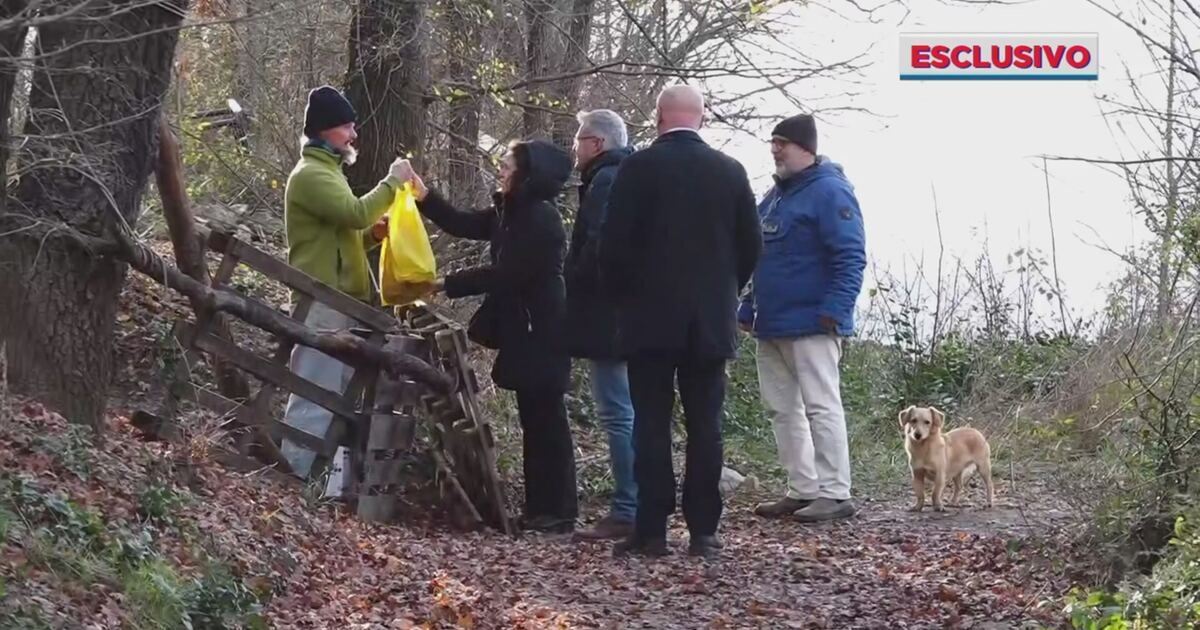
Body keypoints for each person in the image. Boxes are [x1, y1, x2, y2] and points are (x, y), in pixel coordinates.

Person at [597, 85, 762, 559]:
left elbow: (612, 246)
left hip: (648, 318)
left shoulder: (637, 168)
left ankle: (650, 530)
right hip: (710, 320)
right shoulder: (730, 172)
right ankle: (704, 531)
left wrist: (624, 298)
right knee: (705, 425)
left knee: (650, 423)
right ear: (703, 120)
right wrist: (725, 291)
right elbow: (751, 246)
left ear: (658, 118)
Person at [392, 141, 579, 534]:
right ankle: (542, 509)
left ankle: (558, 512)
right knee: (535, 420)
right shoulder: (509, 213)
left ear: (527, 174)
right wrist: (424, 195)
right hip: (525, 329)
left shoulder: (541, 220)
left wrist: (444, 284)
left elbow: (506, 274)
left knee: (548, 422)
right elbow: (462, 223)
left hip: (543, 331)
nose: (501, 170)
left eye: (507, 165)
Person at [737, 113, 866, 523]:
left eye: (782, 142)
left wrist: (835, 309)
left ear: (805, 148)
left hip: (814, 322)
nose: (774, 149)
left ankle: (834, 492)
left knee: (821, 406)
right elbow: (760, 257)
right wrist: (746, 306)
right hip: (771, 323)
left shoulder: (830, 192)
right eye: (773, 142)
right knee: (782, 409)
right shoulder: (775, 197)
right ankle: (802, 488)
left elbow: (850, 256)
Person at [280, 85, 406, 481]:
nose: (353, 135)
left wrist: (373, 236)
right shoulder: (312, 175)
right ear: (324, 131)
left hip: (337, 301)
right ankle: (298, 479)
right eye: (347, 127)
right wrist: (392, 181)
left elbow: (343, 231)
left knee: (333, 396)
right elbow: (352, 214)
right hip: (320, 301)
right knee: (313, 392)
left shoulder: (327, 172)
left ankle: (322, 481)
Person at [565, 109, 638, 540]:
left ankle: (628, 506)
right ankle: (636, 503)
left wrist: (574, 282)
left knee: (617, 414)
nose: (574, 148)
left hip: (610, 317)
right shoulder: (625, 176)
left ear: (597, 144)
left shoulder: (608, 181)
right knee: (629, 411)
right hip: (626, 314)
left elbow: (598, 246)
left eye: (579, 140)